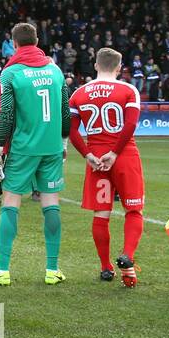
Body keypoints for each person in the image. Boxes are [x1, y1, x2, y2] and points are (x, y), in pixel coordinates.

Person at [0, 22, 72, 286]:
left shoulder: (10, 73)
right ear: (36, 41)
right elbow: (65, 111)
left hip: (23, 148)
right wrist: (63, 140)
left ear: (15, 43)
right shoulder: (55, 70)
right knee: (51, 204)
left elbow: (7, 114)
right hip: (52, 147)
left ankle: (2, 269)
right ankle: (52, 269)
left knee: (10, 203)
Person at [67, 48, 146, 287]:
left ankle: (105, 267)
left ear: (96, 65)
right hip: (124, 156)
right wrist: (115, 152)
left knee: (101, 214)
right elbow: (131, 124)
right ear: (119, 67)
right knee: (134, 210)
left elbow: (70, 130)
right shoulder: (128, 90)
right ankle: (128, 257)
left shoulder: (79, 93)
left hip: (96, 157)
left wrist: (88, 154)